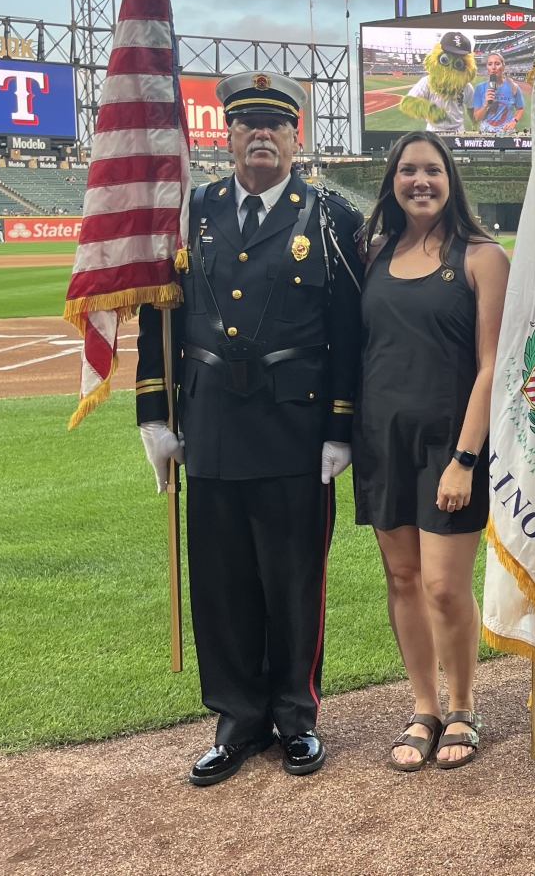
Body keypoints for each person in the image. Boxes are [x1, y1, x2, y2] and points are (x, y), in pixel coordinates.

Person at [134, 71, 364, 786]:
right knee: (223, 583)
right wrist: (153, 412)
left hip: (295, 429)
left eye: (275, 123)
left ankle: (296, 715)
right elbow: (157, 313)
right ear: (225, 134)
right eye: (246, 123)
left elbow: (349, 334)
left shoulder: (330, 218)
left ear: (297, 136)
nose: (260, 134)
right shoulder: (190, 211)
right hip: (211, 425)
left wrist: (340, 426)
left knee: (294, 581)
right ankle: (235, 719)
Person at [352, 130, 508, 771]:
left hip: (449, 442)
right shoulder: (375, 253)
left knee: (445, 586)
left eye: (433, 171)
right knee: (402, 579)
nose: (420, 181)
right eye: (409, 170)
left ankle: (463, 705)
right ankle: (424, 706)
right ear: (393, 180)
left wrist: (465, 459)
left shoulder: (481, 256)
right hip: (382, 439)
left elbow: (492, 363)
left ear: (452, 181)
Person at [470, 52, 525, 134]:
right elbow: (477, 118)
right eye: (490, 64)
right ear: (487, 68)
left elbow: (520, 109)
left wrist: (513, 121)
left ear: (503, 67)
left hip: (506, 133)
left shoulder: (514, 87)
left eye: (497, 64)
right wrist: (485, 104)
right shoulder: (480, 88)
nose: (493, 67)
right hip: (486, 134)